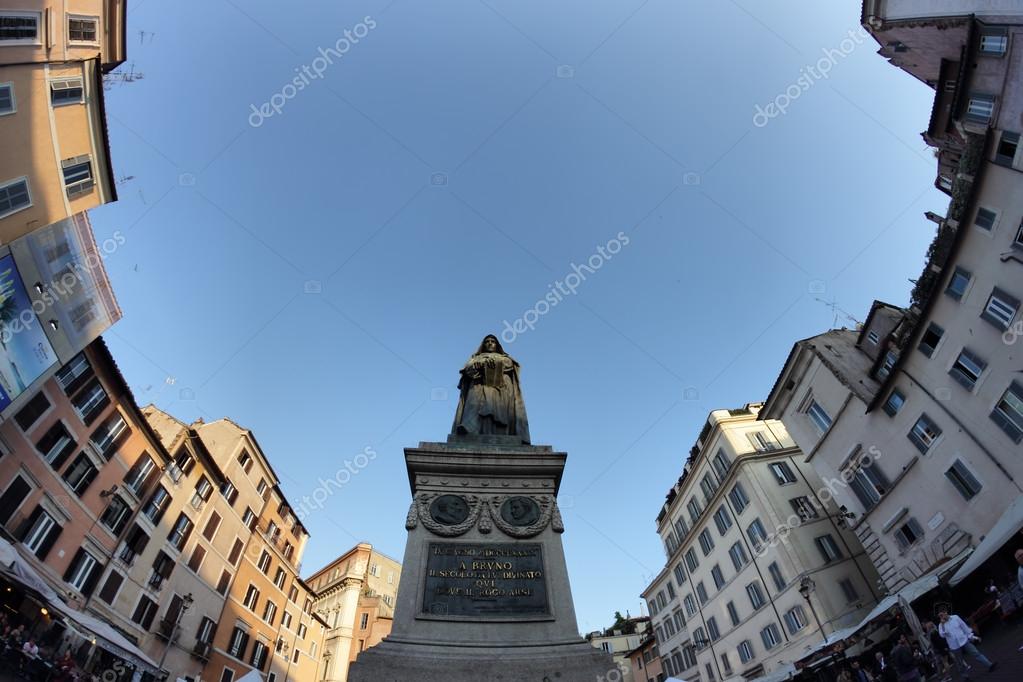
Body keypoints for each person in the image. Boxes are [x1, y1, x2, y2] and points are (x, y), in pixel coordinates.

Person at [452, 335, 530, 443]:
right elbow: (467, 369)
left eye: (492, 341)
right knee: (473, 404)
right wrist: (478, 365)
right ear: (483, 345)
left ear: (497, 345)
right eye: (487, 341)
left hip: (500, 389)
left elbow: (510, 364)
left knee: (498, 409)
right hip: (478, 386)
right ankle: (469, 427)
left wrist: (495, 362)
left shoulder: (505, 358)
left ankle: (502, 434)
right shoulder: (475, 358)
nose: (490, 343)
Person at [937, 608, 996, 678]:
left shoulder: (955, 617)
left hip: (964, 641)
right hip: (954, 646)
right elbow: (942, 635)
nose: (942, 616)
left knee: (976, 653)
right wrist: (943, 624)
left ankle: (990, 665)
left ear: (946, 612)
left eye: (942, 614)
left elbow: (964, 627)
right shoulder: (941, 625)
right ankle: (965, 677)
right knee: (960, 662)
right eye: (940, 615)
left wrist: (973, 637)